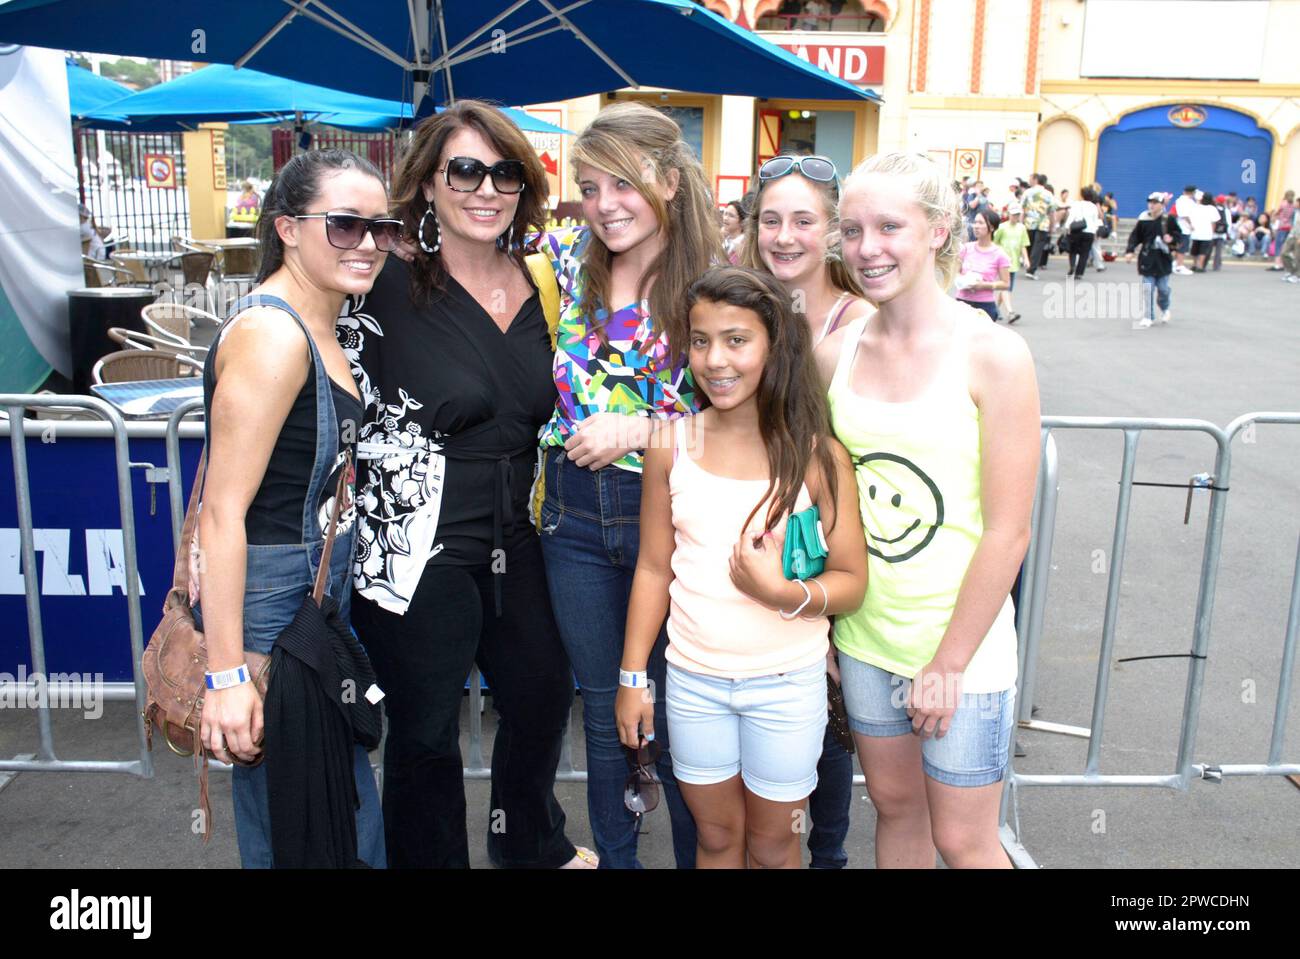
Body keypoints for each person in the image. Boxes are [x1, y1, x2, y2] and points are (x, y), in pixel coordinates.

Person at [344, 101, 592, 869]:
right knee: (422, 733)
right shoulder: (380, 283)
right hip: (416, 545)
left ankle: (528, 842)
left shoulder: (547, 281)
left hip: (518, 535)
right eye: (466, 170)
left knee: (543, 693)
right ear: (426, 183)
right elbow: (300, 338)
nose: (487, 188)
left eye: (506, 171)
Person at [818, 152, 1040, 868]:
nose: (867, 248)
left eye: (889, 226)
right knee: (897, 811)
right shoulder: (837, 353)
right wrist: (826, 623)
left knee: (964, 840)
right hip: (866, 638)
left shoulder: (994, 354)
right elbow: (829, 504)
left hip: (963, 650)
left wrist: (946, 663)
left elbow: (1009, 531)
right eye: (851, 230)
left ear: (937, 230)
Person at [616, 266, 868, 869]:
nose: (715, 359)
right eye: (700, 341)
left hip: (786, 686)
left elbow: (851, 583)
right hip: (694, 684)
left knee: (775, 844)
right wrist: (632, 680)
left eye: (737, 340)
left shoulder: (816, 456)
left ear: (774, 346)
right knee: (717, 841)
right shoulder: (669, 444)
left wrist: (784, 593)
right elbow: (654, 568)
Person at [195, 149, 396, 868]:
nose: (369, 243)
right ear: (286, 226)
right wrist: (226, 676)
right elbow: (221, 514)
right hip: (271, 620)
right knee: (305, 833)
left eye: (382, 227)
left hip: (311, 609)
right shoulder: (273, 334)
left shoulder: (321, 325)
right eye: (345, 225)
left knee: (332, 824)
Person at [534, 101, 718, 869]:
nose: (603, 203)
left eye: (622, 184)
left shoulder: (715, 280)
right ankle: (618, 861)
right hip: (572, 516)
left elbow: (750, 424)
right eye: (589, 185)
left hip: (674, 520)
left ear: (670, 182)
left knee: (673, 716)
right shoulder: (563, 263)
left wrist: (640, 429)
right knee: (608, 713)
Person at [742, 151, 871, 868]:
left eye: (802, 219)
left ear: (830, 232)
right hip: (769, 549)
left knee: (828, 726)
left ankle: (827, 856)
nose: (784, 235)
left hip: (843, 553)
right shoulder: (747, 309)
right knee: (794, 730)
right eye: (771, 219)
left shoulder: (860, 326)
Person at [1124, 191, 1183, 328]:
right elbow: (1135, 236)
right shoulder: (1144, 219)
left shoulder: (1168, 219)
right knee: (1147, 288)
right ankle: (1148, 316)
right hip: (1147, 258)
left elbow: (1178, 235)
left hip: (1163, 259)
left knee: (1163, 288)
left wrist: (1172, 238)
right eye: (1150, 202)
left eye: (1155, 202)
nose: (1152, 205)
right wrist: (1130, 251)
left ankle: (1165, 308)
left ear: (1162, 204)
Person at [954, 208, 1010, 321]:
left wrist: (984, 285)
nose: (976, 226)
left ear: (992, 227)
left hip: (985, 306)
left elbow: (1005, 283)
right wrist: (962, 280)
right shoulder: (966, 248)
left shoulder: (999, 254)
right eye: (975, 222)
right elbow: (955, 272)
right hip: (962, 303)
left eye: (980, 223)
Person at [993, 202, 1029, 323]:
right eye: (1013, 214)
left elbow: (1023, 245)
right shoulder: (1002, 227)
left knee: (1007, 288)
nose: (1015, 217)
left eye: (1017, 214)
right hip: (1002, 263)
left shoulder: (1022, 228)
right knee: (1005, 287)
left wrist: (1026, 259)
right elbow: (995, 242)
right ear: (1009, 214)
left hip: (1014, 263)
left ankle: (995, 309)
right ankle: (1010, 312)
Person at [1020, 173, 1057, 279]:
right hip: (1043, 224)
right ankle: (1031, 270)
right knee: (1038, 247)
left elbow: (1022, 209)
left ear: (1036, 180)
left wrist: (1021, 223)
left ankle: (1027, 262)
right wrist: (1052, 226)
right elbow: (1052, 212)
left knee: (1029, 244)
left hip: (1029, 222)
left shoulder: (1027, 192)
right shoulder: (1049, 194)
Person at [1064, 186, 1102, 279]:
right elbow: (1095, 220)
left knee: (1073, 251)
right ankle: (1079, 273)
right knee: (1084, 253)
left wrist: (1067, 227)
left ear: (1082, 195)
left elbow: (1071, 217)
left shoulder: (1076, 204)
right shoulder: (1093, 206)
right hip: (1089, 232)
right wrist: (1095, 232)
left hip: (1076, 230)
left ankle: (1072, 266)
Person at [1189, 191, 1220, 272]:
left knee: (1195, 250)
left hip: (1195, 232)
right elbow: (1214, 222)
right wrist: (1212, 232)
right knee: (1203, 251)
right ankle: (1200, 266)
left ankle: (1194, 264)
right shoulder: (1212, 209)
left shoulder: (1196, 207)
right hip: (1207, 233)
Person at [1173, 185, 1198, 274]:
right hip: (1184, 227)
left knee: (1180, 246)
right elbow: (1184, 214)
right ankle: (1180, 266)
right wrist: (1191, 225)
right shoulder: (1186, 201)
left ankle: (1176, 264)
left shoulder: (1181, 200)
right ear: (1192, 192)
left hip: (1181, 227)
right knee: (1182, 247)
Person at [1268, 189, 1295, 271]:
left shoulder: (1283, 204)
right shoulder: (1293, 206)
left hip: (1282, 226)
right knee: (1285, 246)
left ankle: (1277, 264)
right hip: (1289, 227)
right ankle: (1283, 263)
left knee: (1278, 246)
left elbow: (1277, 213)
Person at [721, 199, 746, 264]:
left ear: (741, 221)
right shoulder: (725, 239)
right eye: (725, 214)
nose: (725, 218)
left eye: (731, 215)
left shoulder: (743, 245)